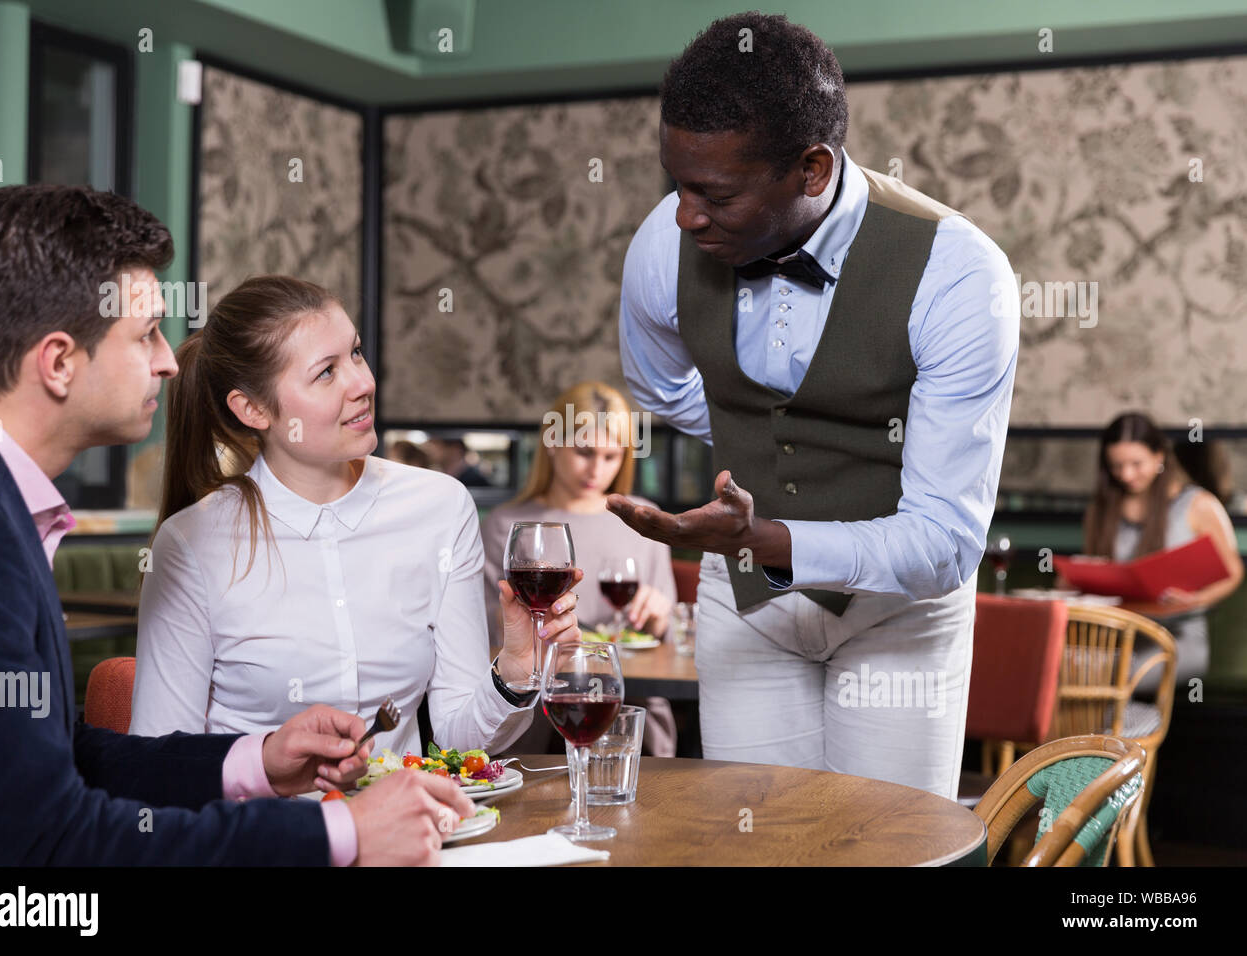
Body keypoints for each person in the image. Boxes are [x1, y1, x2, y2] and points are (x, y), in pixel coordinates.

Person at [0, 185, 476, 866]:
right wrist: (341, 834)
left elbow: (58, 758)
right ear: (57, 362)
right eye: (145, 336)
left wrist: (253, 760)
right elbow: (47, 841)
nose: (170, 361)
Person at [607, 13, 1019, 799]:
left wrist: (772, 534)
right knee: (756, 844)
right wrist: (758, 437)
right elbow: (659, 388)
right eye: (678, 184)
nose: (686, 215)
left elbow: (945, 543)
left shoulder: (960, 274)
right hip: (748, 605)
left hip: (898, 616)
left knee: (890, 849)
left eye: (716, 193)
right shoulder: (666, 242)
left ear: (812, 169)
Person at [129, 275, 580, 759]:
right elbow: (158, 761)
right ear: (254, 409)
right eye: (326, 372)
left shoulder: (441, 508)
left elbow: (455, 740)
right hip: (261, 829)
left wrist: (514, 669)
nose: (363, 383)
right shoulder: (191, 543)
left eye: (357, 353)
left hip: (404, 825)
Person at [480, 382, 678, 755]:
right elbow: (490, 632)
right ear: (552, 444)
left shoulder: (642, 519)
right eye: (584, 452)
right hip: (537, 692)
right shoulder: (508, 524)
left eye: (611, 457)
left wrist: (660, 615)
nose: (597, 470)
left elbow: (668, 635)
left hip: (625, 689)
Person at [1083, 412, 1243, 695]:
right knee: (1069, 667)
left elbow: (1233, 573)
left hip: (1177, 639)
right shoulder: (1102, 509)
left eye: (1136, 464)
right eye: (1116, 466)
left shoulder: (1198, 504)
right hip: (1116, 635)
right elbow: (1095, 569)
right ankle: (1102, 739)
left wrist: (1195, 599)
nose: (1126, 474)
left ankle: (1112, 739)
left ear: (1159, 457)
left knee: (1112, 676)